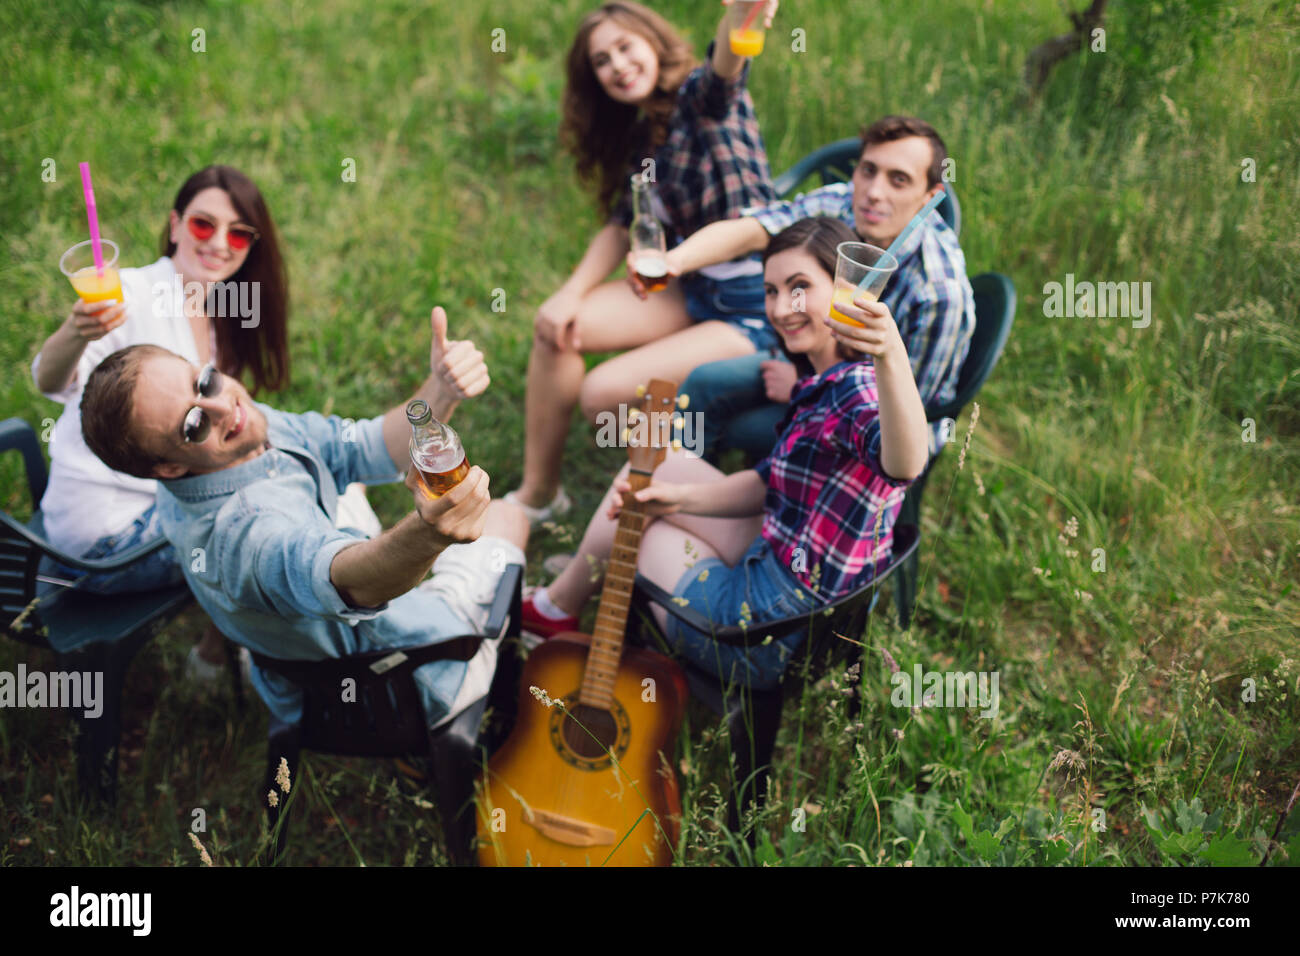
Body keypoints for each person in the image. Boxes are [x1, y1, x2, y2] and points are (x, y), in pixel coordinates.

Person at [521, 218, 929, 688]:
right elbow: (769, 481)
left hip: (767, 634)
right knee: (662, 469)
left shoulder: (859, 391)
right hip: (807, 588)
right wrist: (677, 501)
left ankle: (558, 609)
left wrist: (891, 352)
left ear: (847, 290)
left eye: (799, 287)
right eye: (771, 291)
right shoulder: (826, 381)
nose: (781, 307)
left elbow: (905, 463)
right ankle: (562, 598)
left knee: (637, 533)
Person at [76, 308, 529, 728]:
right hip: (397, 683)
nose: (221, 406)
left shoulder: (237, 430)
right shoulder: (246, 534)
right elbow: (346, 579)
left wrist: (442, 389)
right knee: (509, 518)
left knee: (349, 482)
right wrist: (427, 535)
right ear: (170, 466)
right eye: (192, 425)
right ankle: (507, 659)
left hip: (308, 656)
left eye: (204, 382)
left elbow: (360, 446)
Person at [32, 165, 377, 673]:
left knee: (268, 478)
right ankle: (232, 657)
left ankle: (300, 614)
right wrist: (76, 330)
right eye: (202, 225)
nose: (219, 242)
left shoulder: (222, 312)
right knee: (258, 515)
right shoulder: (126, 295)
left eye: (238, 233)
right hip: (101, 546)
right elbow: (49, 379)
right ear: (174, 225)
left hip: (140, 509)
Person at [507, 0, 780, 525]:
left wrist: (739, 20)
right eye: (602, 61)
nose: (617, 65)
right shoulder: (640, 136)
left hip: (755, 305)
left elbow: (725, 70)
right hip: (692, 286)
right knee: (558, 328)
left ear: (654, 42)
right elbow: (619, 223)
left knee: (601, 397)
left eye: (625, 47)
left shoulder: (702, 100)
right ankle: (540, 493)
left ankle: (695, 460)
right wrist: (569, 293)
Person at [668, 115, 976, 464]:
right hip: (808, 360)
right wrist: (674, 261)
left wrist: (806, 388)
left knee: (739, 426)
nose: (874, 193)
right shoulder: (844, 204)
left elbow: (904, 414)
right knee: (704, 383)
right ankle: (668, 490)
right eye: (868, 170)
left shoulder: (939, 293)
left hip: (866, 422)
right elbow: (761, 227)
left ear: (929, 197)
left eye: (899, 180)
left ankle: (725, 502)